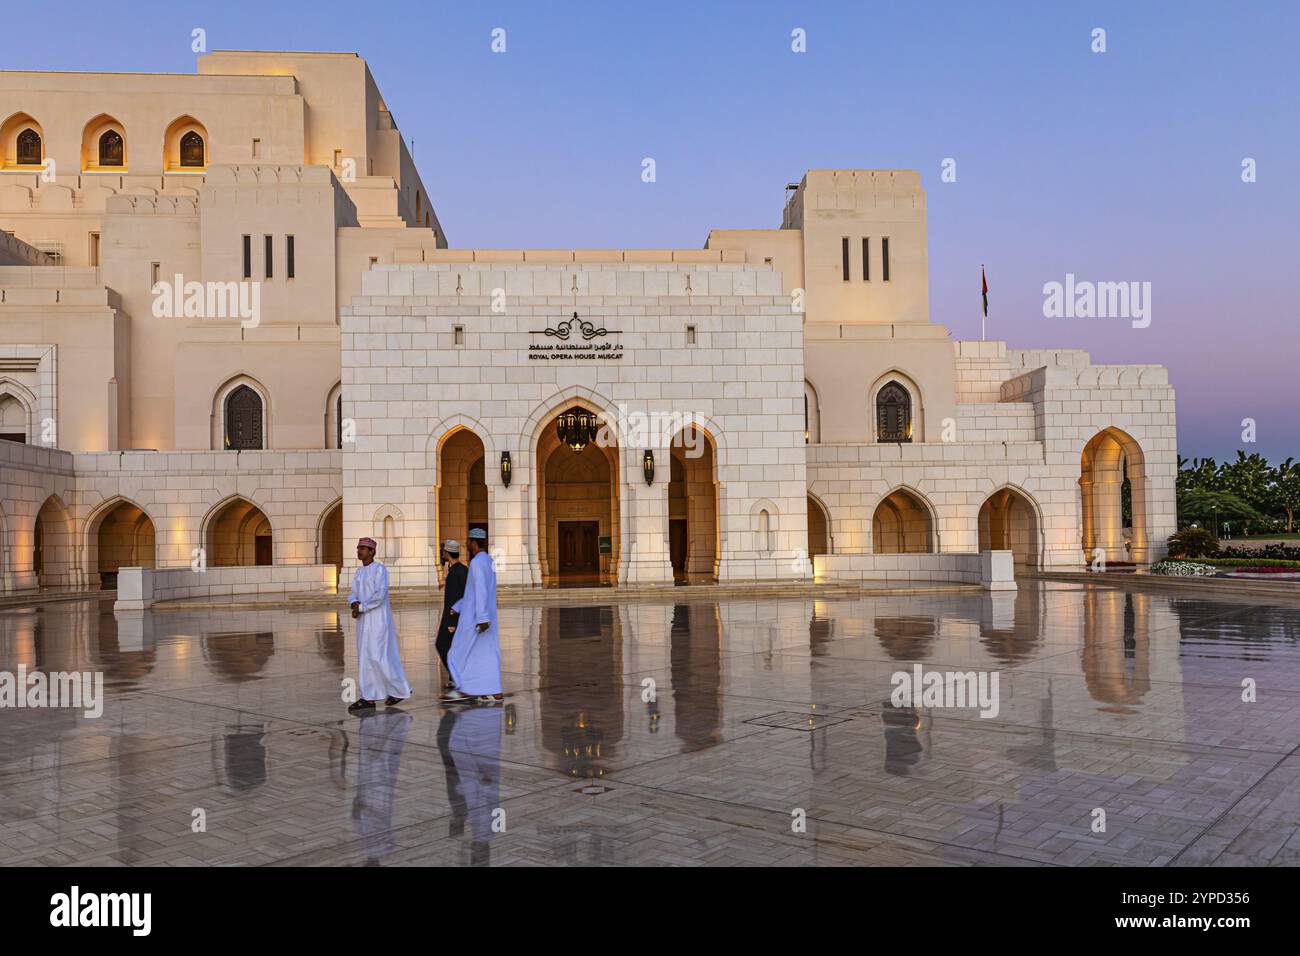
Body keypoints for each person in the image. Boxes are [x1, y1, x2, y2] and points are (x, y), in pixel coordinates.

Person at [347, 537, 412, 713]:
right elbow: (353, 593)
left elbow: (379, 595)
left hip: (378, 620)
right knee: (365, 657)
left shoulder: (380, 570)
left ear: (372, 552)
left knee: (379, 656)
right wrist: (353, 603)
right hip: (363, 621)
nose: (359, 551)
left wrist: (361, 607)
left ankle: (401, 689)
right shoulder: (359, 572)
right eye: (358, 547)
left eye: (363, 548)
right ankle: (369, 697)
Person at [443, 527, 503, 704]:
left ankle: (464, 688)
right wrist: (458, 606)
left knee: (456, 653)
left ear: (474, 543)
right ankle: (494, 690)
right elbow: (474, 591)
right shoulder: (488, 561)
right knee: (486, 655)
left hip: (476, 618)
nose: (467, 545)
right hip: (484, 616)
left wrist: (482, 618)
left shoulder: (477, 563)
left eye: (469, 542)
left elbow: (481, 590)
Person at [435, 539, 468, 691]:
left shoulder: (456, 572)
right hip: (455, 616)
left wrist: (452, 620)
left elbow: (459, 597)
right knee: (452, 647)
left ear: (447, 553)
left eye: (444, 552)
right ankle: (455, 677)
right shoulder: (462, 569)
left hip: (453, 617)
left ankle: (457, 677)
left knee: (442, 644)